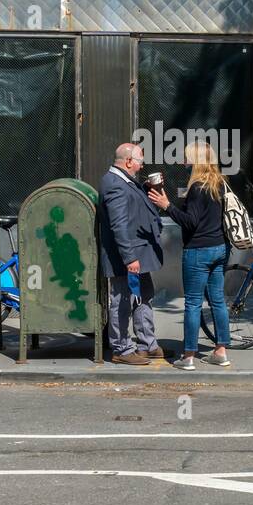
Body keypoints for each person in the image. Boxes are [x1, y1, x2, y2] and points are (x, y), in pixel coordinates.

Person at [148, 140, 231, 371]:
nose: (184, 162)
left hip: (198, 251)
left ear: (196, 161)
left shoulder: (197, 188)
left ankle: (189, 356)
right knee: (217, 300)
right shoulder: (220, 184)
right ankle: (221, 351)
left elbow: (190, 222)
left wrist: (167, 206)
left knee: (193, 303)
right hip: (219, 248)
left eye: (187, 158)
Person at [97, 143, 164, 365]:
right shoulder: (114, 184)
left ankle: (147, 345)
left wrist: (145, 188)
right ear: (127, 162)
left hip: (138, 254)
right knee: (123, 300)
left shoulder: (125, 181)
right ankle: (121, 349)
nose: (142, 165)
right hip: (127, 257)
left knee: (144, 295)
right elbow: (119, 225)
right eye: (139, 161)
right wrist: (130, 258)